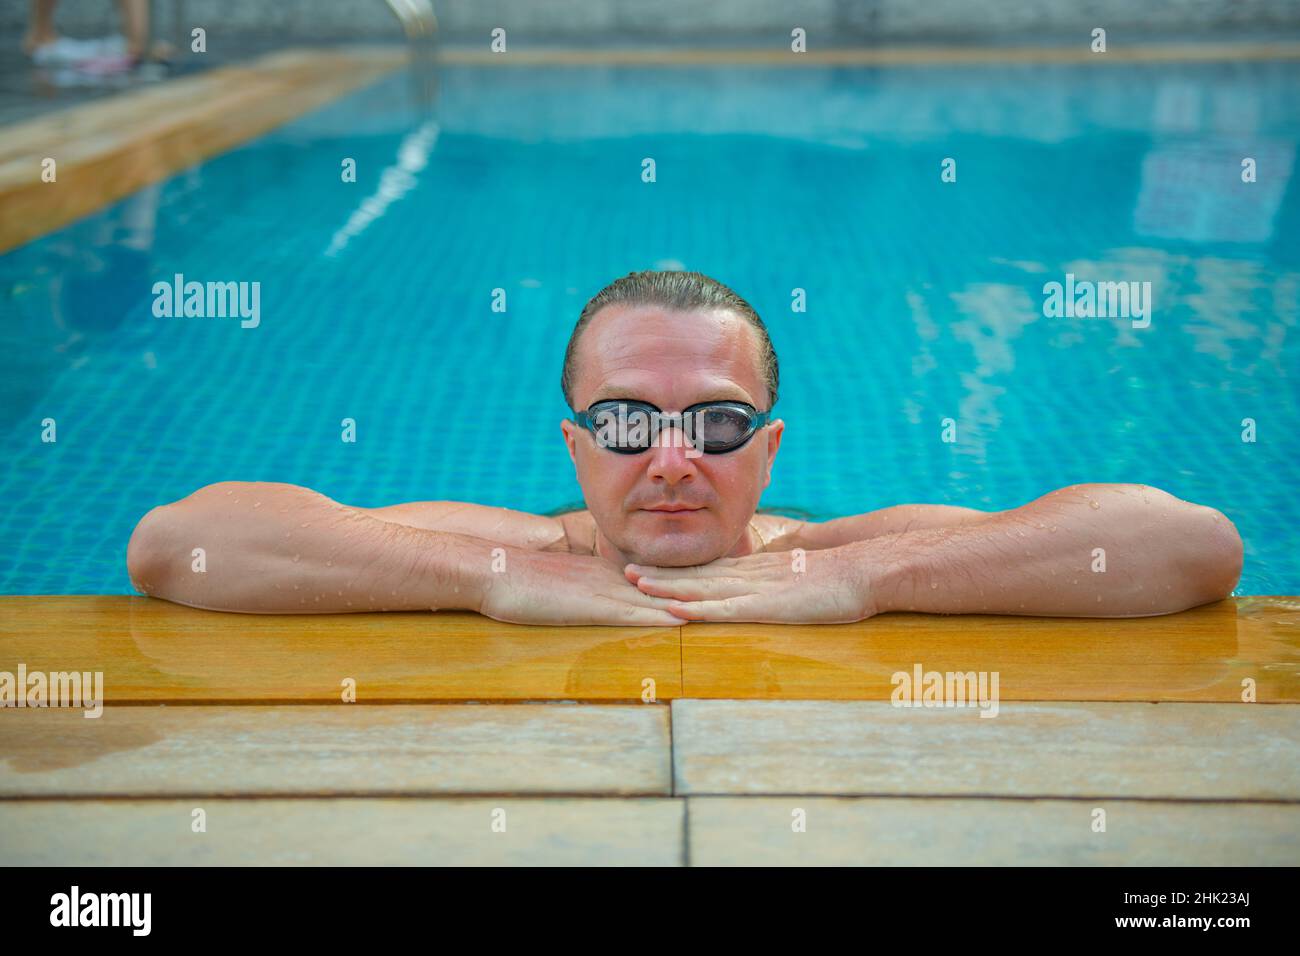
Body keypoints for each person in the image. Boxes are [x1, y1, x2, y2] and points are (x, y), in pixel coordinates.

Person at [127, 271, 1243, 625]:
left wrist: (860, 578)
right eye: (623, 422)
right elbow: (180, 545)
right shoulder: (521, 547)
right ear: (576, 446)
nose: (670, 459)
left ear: (766, 452)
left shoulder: (839, 547)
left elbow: (1190, 545)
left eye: (715, 422)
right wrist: (494, 581)